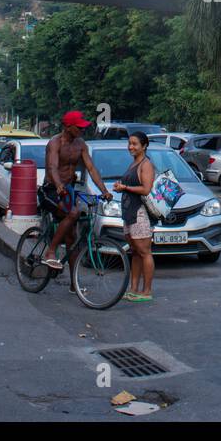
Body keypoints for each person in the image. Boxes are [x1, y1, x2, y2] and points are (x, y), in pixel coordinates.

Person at [40, 110, 112, 272]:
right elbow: (52, 167)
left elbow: (91, 168)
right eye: (78, 127)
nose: (82, 130)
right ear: (67, 126)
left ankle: (74, 283)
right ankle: (50, 251)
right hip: (51, 190)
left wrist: (104, 191)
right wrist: (58, 185)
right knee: (73, 213)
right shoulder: (55, 143)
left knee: (72, 239)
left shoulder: (81, 144)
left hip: (68, 190)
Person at [114, 131, 157, 302]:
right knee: (135, 252)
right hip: (129, 212)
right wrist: (122, 186)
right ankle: (133, 289)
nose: (131, 147)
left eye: (134, 144)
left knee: (144, 252)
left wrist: (124, 188)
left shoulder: (146, 165)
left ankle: (146, 292)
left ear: (144, 146)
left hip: (140, 213)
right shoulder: (134, 163)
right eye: (129, 143)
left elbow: (146, 189)